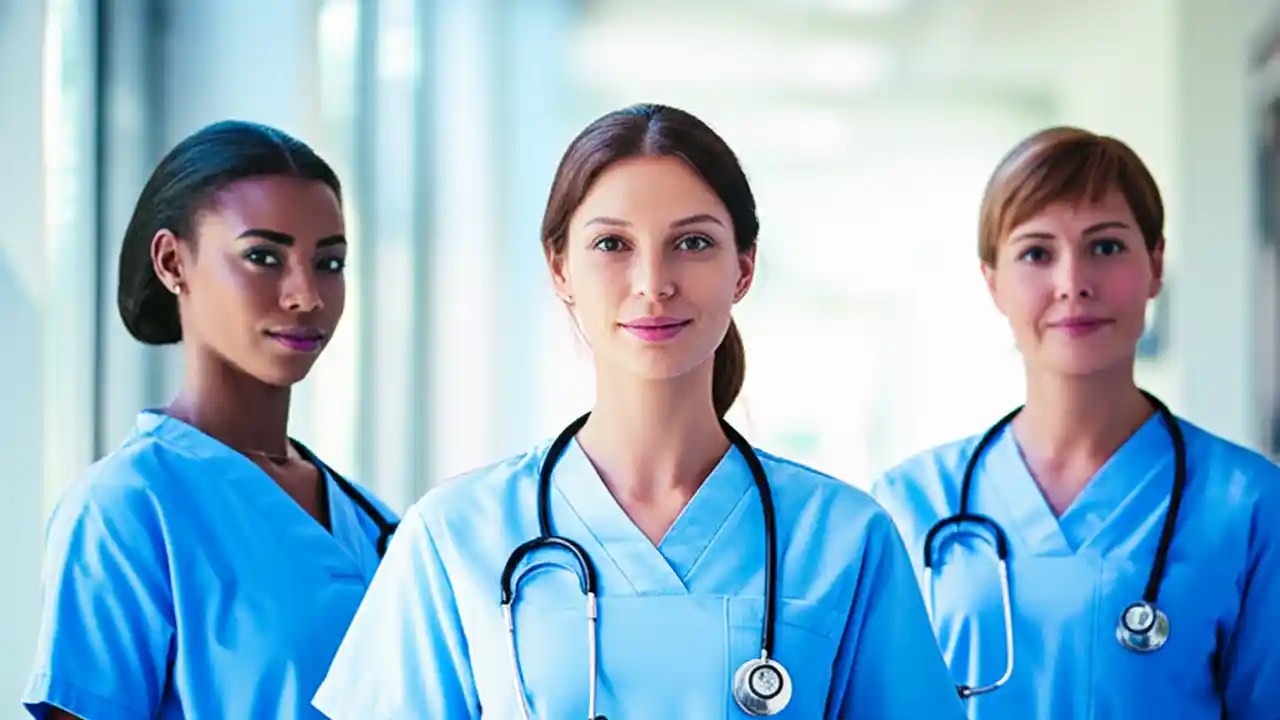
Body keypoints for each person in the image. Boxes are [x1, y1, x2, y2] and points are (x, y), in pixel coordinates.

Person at [311, 103, 964, 719]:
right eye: (612, 245)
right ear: (560, 268)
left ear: (744, 268)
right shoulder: (454, 537)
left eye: (693, 243)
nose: (653, 282)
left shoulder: (845, 538)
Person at [871, 126, 1280, 720]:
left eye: (1106, 247)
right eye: (1037, 253)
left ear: (1156, 265)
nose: (1073, 284)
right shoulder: (911, 502)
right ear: (993, 283)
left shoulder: (1248, 503)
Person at [23, 120, 398, 720]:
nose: (307, 296)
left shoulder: (374, 523)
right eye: (263, 257)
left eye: (329, 263)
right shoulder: (125, 508)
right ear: (173, 262)